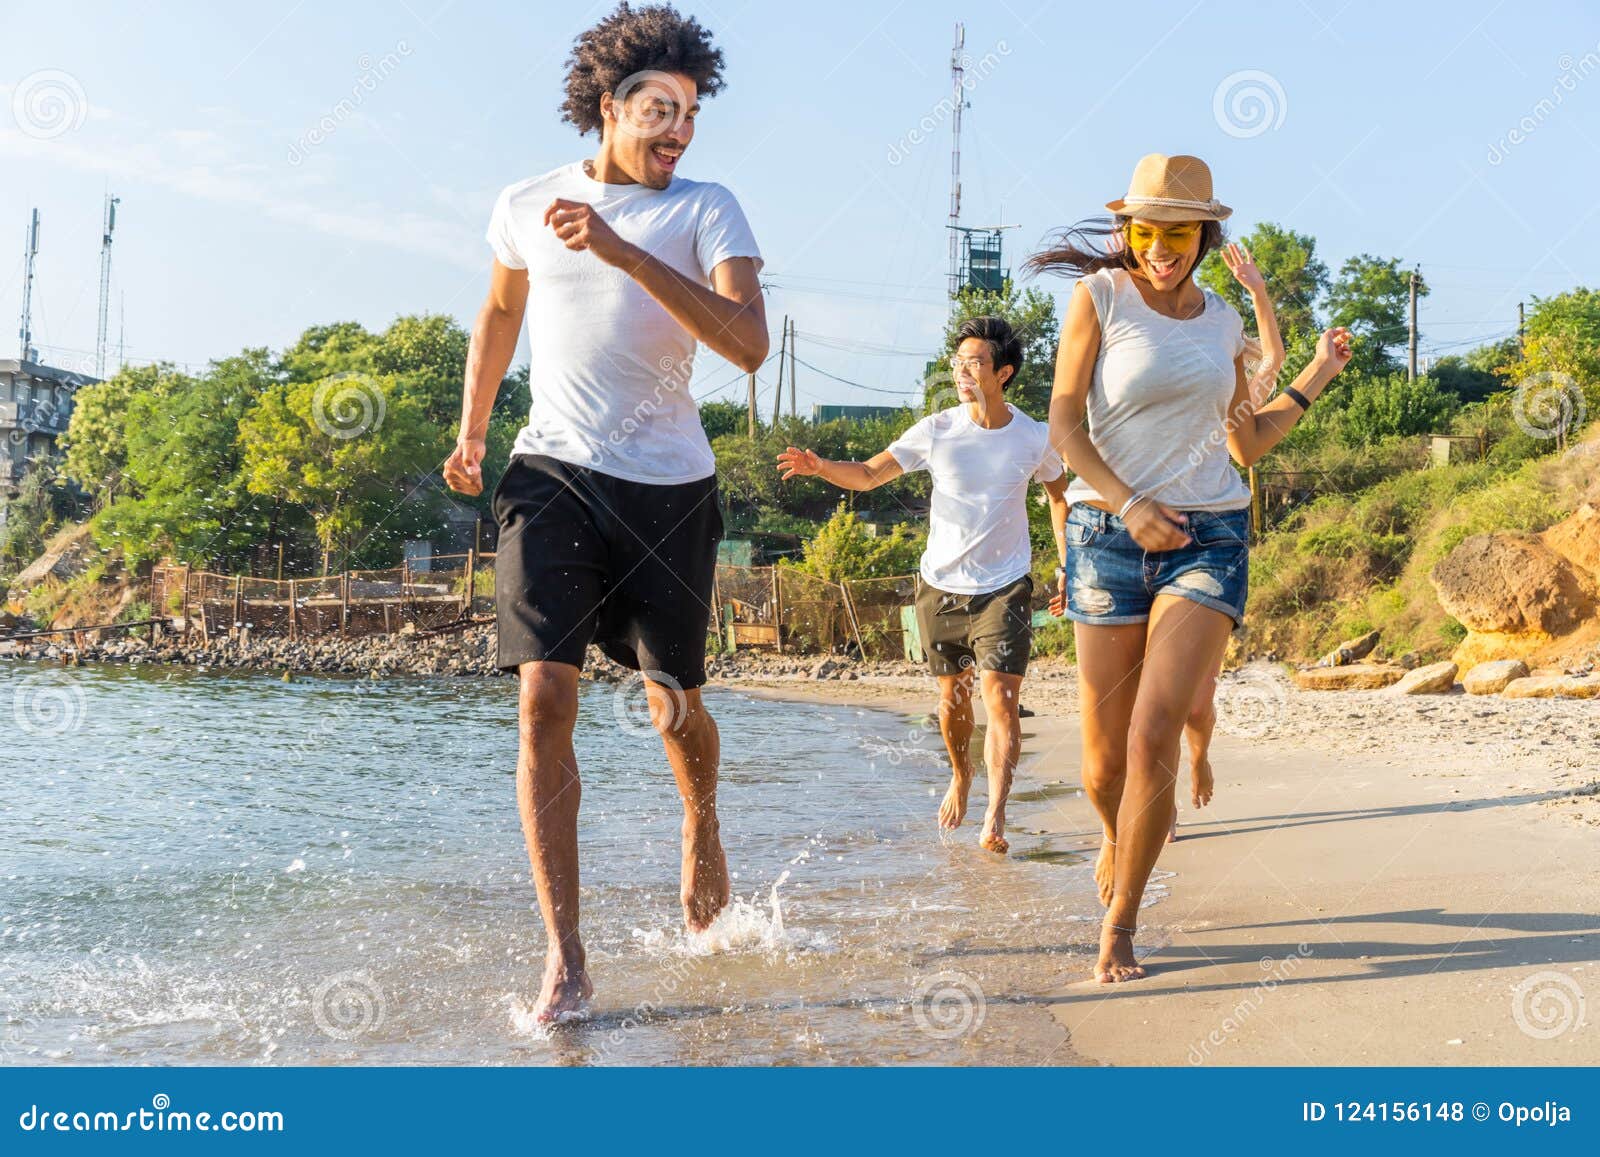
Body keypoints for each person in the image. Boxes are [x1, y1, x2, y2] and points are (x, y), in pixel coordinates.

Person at [442, 2, 767, 1022]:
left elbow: (749, 345)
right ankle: (566, 955)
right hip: (551, 473)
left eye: (690, 112)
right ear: (607, 106)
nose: (678, 129)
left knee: (674, 703)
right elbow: (500, 309)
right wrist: (472, 425)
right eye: (658, 110)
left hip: (668, 484)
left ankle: (700, 818)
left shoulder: (709, 209)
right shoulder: (527, 200)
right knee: (544, 695)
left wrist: (626, 250)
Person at [1031, 153, 1351, 983]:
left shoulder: (1220, 327)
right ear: (1128, 232)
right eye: (1147, 231)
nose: (1162, 247)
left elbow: (1245, 441)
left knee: (1153, 730)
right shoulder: (1097, 299)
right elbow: (1065, 427)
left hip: (1209, 535)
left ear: (1206, 235)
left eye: (1179, 232)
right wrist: (1127, 499)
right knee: (1101, 765)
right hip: (1106, 533)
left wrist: (1314, 377)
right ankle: (1117, 835)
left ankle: (1122, 922)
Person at [777, 317, 1070, 854]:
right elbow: (869, 474)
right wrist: (821, 468)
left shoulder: (1033, 437)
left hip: (1005, 587)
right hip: (940, 585)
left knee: (1001, 698)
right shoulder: (937, 430)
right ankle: (961, 774)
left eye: (975, 363)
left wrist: (1066, 563)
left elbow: (1058, 493)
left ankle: (996, 816)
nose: (961, 371)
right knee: (951, 700)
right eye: (957, 362)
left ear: (1003, 373)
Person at [1169, 241, 1285, 839]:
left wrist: (1256, 292)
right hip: (1149, 526)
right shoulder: (1162, 377)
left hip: (1213, 529)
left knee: (1195, 699)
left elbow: (1274, 356)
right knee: (1149, 690)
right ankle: (1155, 800)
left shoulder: (1236, 377)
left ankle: (1199, 753)